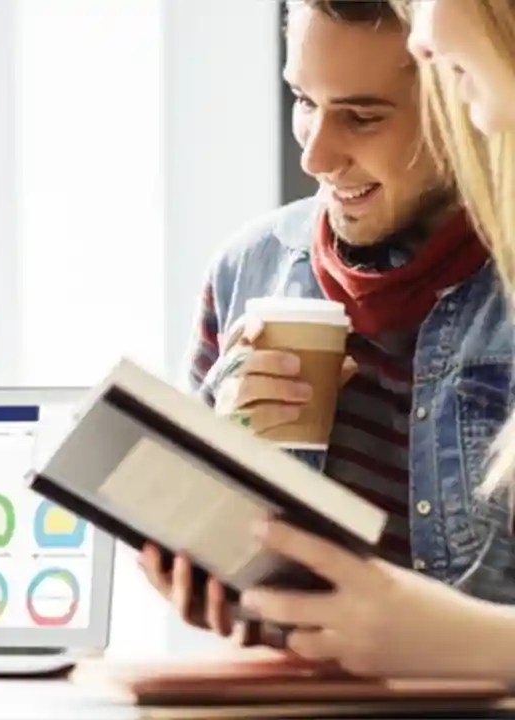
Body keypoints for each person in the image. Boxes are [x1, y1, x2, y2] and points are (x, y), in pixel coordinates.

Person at [139, 0, 515, 650]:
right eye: (303, 101)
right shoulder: (247, 270)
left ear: (462, 95)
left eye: (362, 116)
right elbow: (237, 598)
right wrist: (213, 528)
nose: (315, 155)